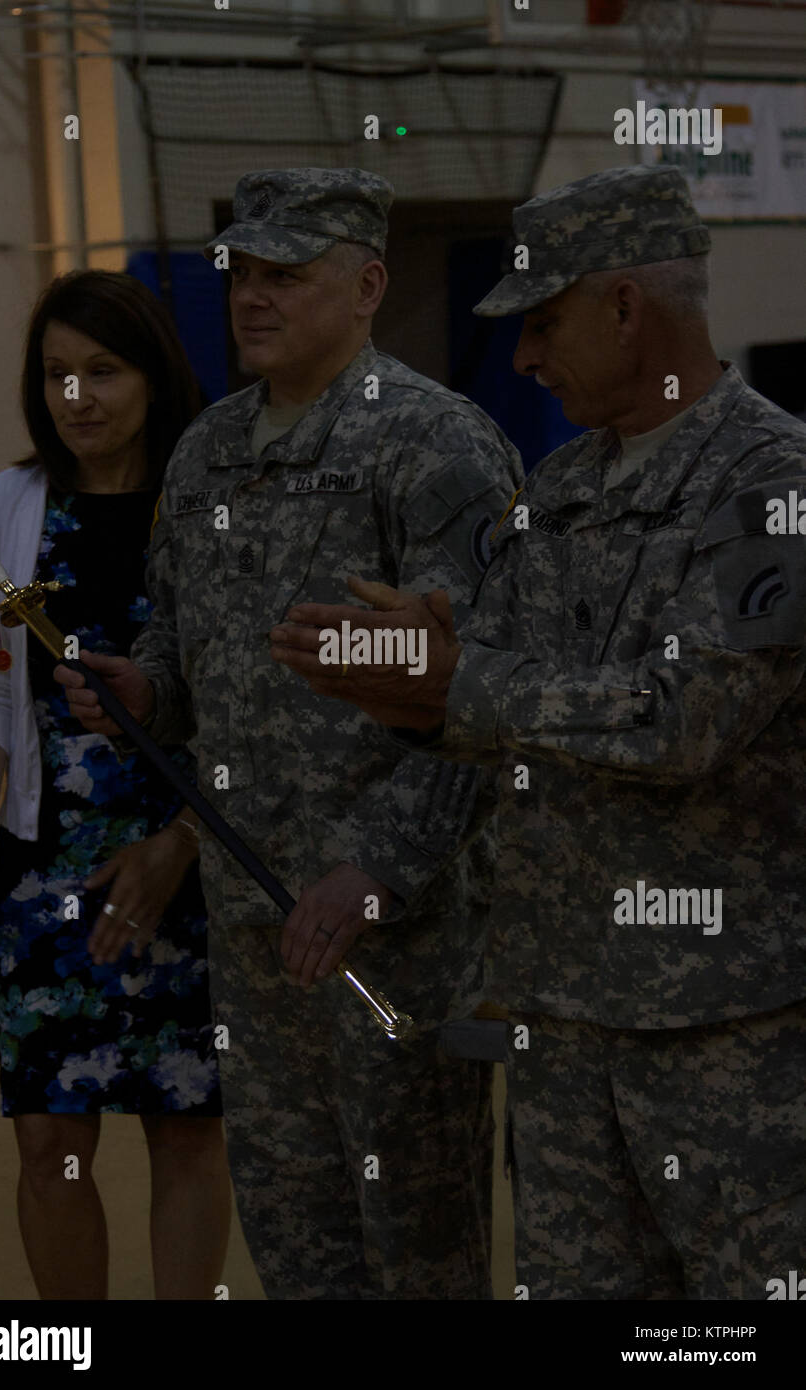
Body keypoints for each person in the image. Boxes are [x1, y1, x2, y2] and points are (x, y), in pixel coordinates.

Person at [270, 165, 806, 1300]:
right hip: (558, 1017)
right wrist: (403, 678)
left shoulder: (770, 484)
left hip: (719, 1029)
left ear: (624, 307)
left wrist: (461, 679)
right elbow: (487, 698)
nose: (521, 359)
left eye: (542, 324)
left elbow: (683, 721)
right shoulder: (559, 488)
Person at [56, 167, 524, 1300]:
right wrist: (145, 688)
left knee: (416, 1249)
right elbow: (180, 646)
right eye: (242, 275)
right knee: (293, 1237)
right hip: (253, 929)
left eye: (286, 276)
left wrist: (376, 868)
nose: (252, 298)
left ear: (365, 285)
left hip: (389, 932)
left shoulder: (433, 447)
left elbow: (489, 699)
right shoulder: (207, 450)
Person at [0, 270, 231, 1300]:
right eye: (57, 374)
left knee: (186, 1127)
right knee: (47, 1139)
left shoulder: (206, 503)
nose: (79, 397)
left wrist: (181, 844)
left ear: (154, 374)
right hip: (42, 863)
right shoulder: (6, 503)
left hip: (181, 857)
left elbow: (244, 709)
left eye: (103, 370)